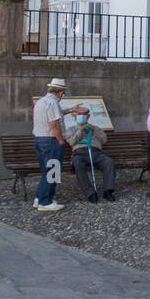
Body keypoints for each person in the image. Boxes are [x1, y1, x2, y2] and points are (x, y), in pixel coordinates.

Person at [30, 78, 87, 212]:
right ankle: (45, 202)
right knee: (53, 172)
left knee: (46, 171)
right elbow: (54, 125)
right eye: (63, 93)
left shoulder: (42, 101)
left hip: (39, 139)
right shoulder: (53, 103)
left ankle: (39, 198)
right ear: (61, 92)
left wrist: (71, 109)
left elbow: (58, 114)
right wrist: (61, 141)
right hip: (51, 141)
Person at [68, 114, 116, 204]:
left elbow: (104, 140)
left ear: (88, 117)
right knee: (78, 164)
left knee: (108, 162)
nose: (81, 117)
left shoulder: (96, 128)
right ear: (75, 117)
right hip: (79, 153)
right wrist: (80, 130)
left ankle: (108, 191)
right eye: (79, 115)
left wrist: (94, 130)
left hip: (96, 152)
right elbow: (71, 142)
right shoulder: (71, 129)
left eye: (84, 115)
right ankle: (90, 193)